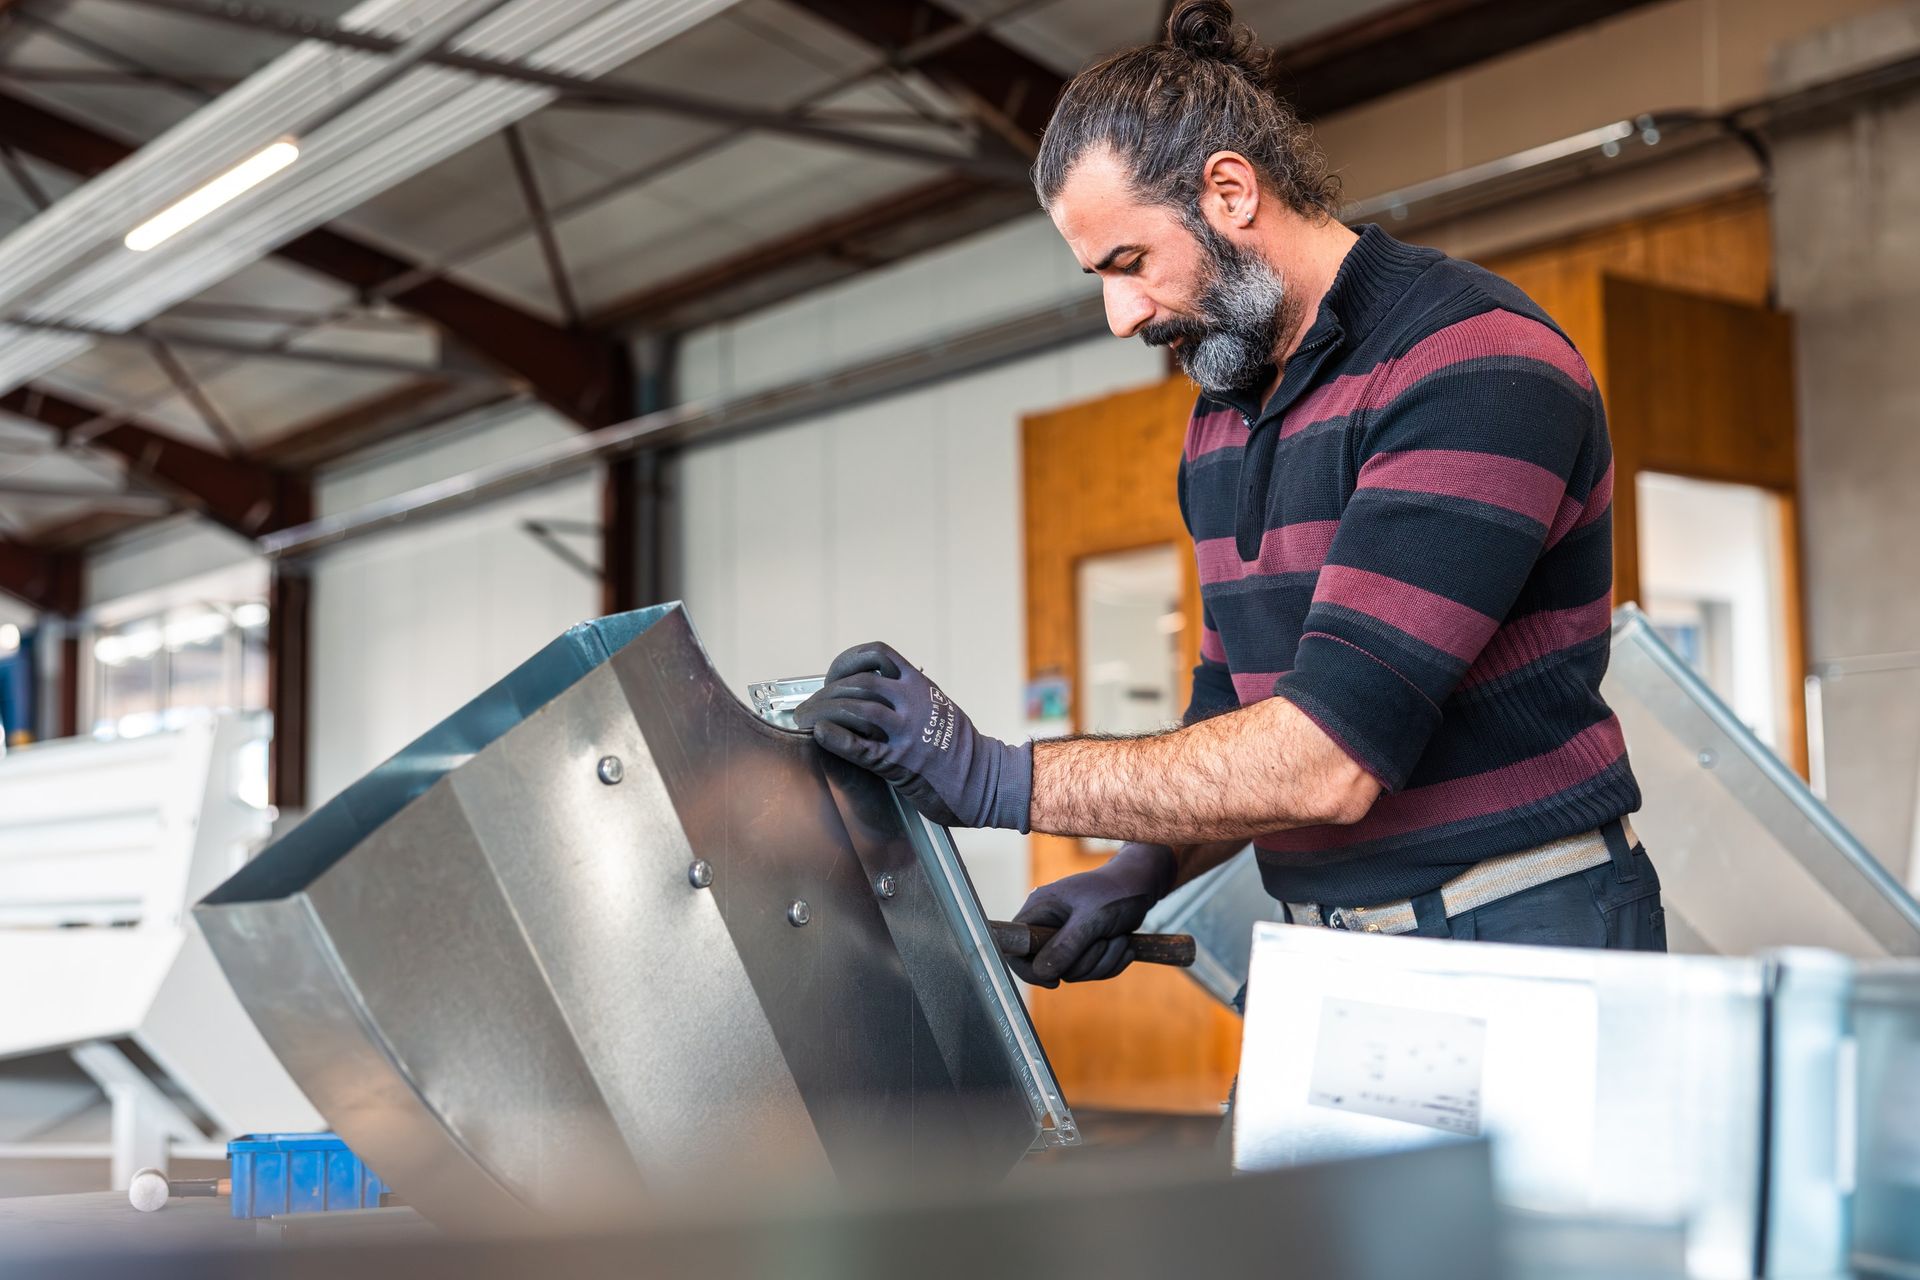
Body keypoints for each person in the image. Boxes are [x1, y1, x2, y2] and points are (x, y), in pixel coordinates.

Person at [794, 0, 1663, 993]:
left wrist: (995, 776)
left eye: (1129, 263)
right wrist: (1144, 866)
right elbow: (1236, 699)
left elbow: (1327, 757)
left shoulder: (1469, 365)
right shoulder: (1222, 416)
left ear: (1230, 191)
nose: (1120, 315)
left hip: (1517, 936)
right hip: (1329, 945)